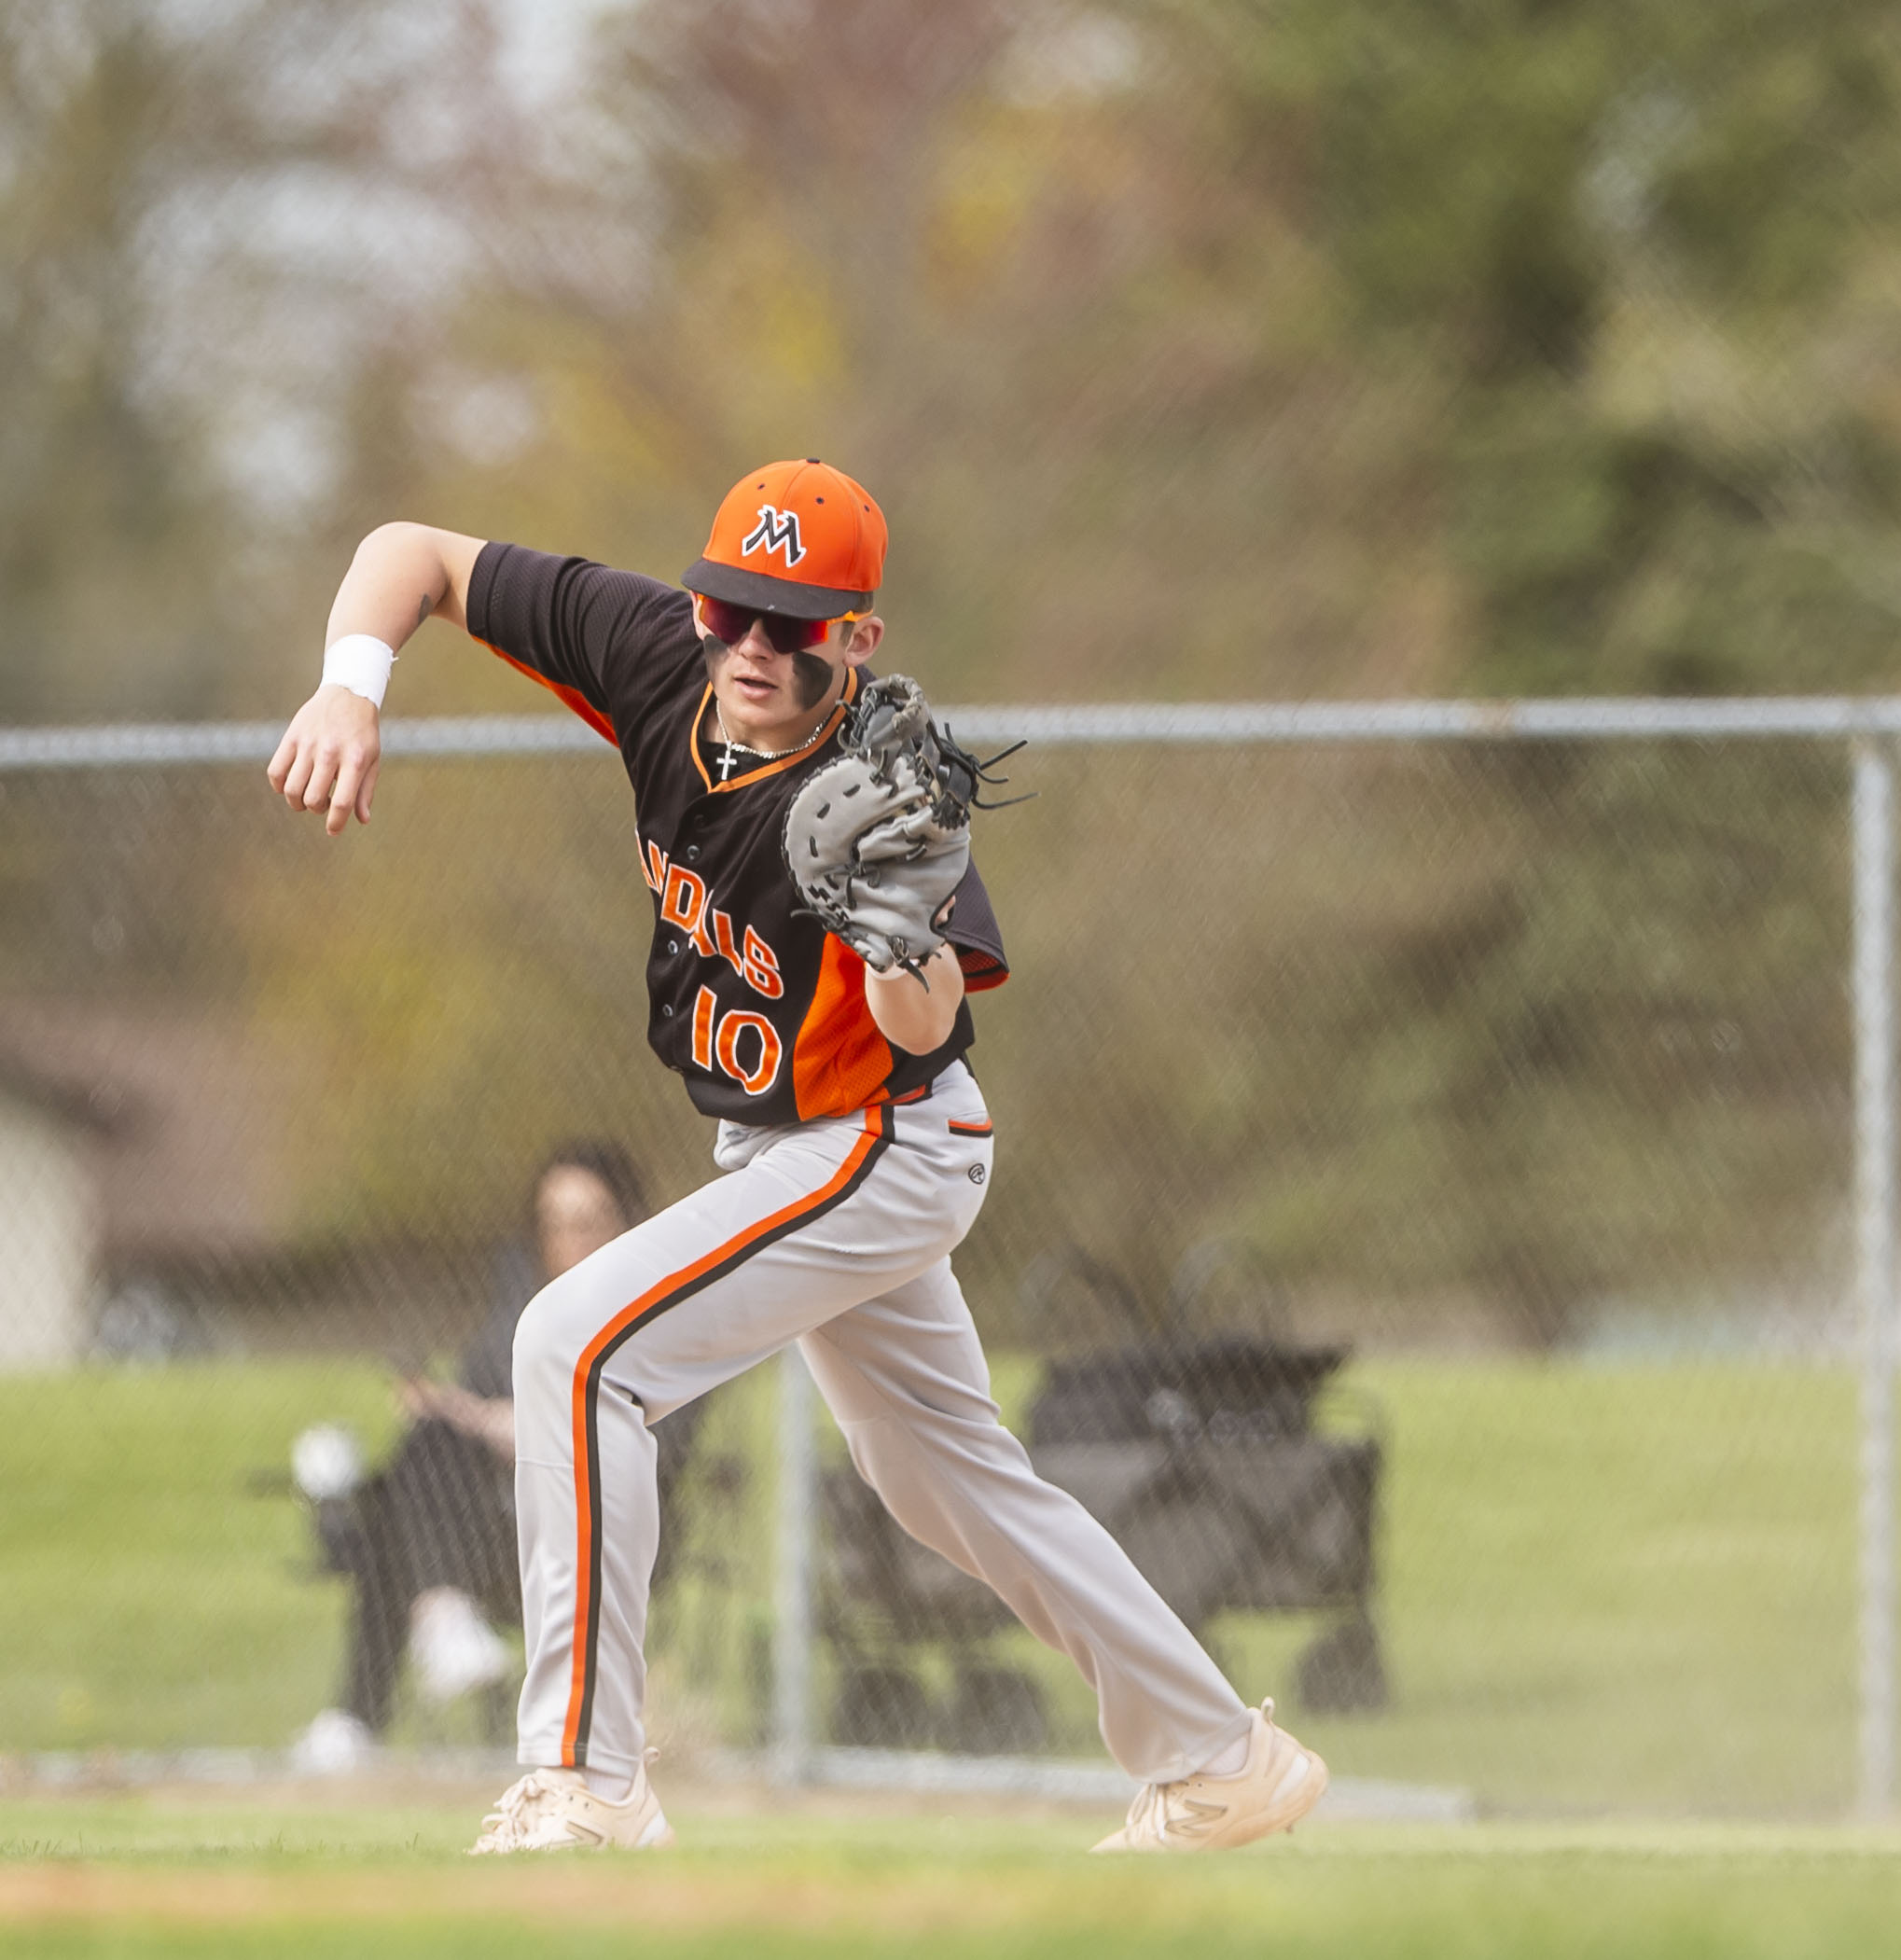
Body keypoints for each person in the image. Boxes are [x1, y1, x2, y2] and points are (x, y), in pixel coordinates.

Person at [267, 458, 1325, 1856]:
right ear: (699, 604)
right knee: (942, 1475)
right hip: (786, 1144)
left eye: (797, 623)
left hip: (879, 1142)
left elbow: (928, 1025)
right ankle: (1220, 1760)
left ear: (858, 639)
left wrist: (897, 932)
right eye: (735, 612)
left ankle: (584, 1780)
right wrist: (352, 686)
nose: (757, 647)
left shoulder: (885, 787)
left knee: (574, 1349)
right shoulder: (653, 650)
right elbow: (415, 552)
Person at [292, 1145, 674, 1772]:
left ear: (627, 1223)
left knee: (397, 1505)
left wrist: (502, 1423)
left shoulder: (660, 1320)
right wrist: (459, 1413)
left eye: (587, 1220)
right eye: (554, 1223)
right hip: (491, 1523)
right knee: (428, 1446)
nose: (568, 1239)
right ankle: (437, 1620)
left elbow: (643, 1440)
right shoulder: (519, 1323)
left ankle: (362, 1706)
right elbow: (470, 1421)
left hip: (591, 1524)